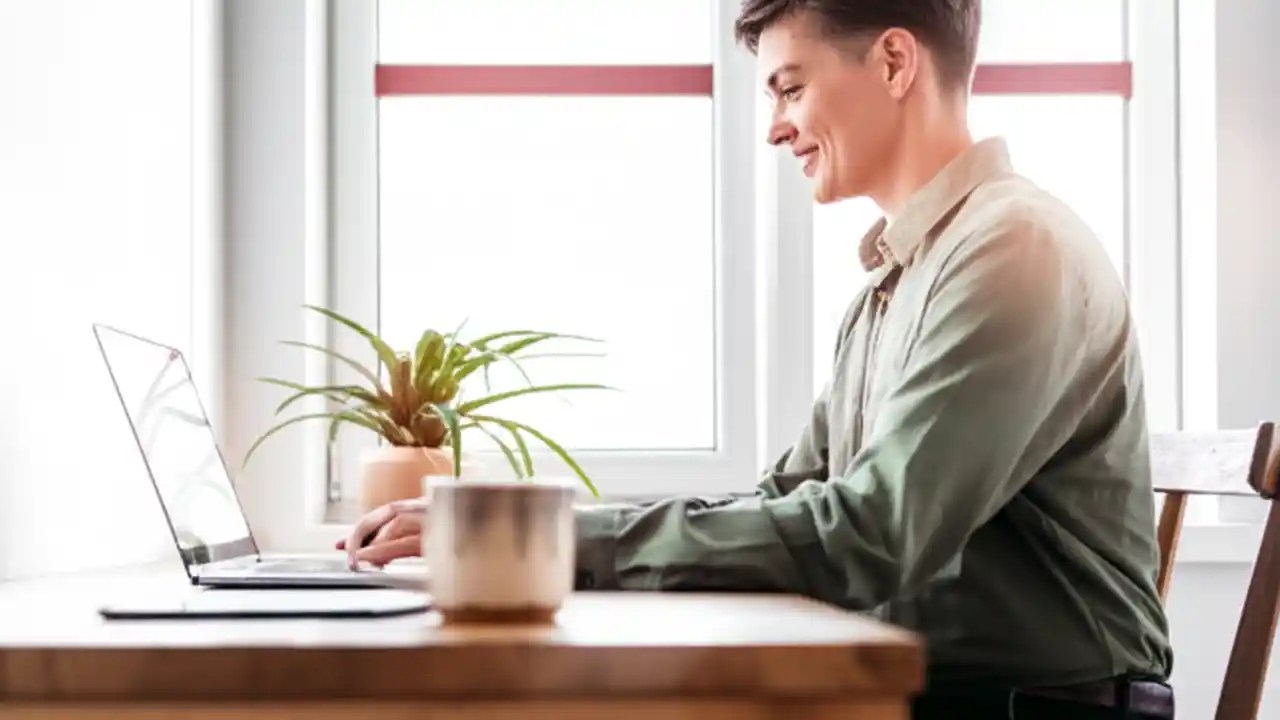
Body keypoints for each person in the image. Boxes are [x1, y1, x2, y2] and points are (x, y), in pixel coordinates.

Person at [340, 1, 1175, 717]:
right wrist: (537, 534)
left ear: (892, 61)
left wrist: (554, 540)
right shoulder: (898, 281)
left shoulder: (1014, 250)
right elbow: (790, 501)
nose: (776, 126)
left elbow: (868, 538)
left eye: (791, 87)